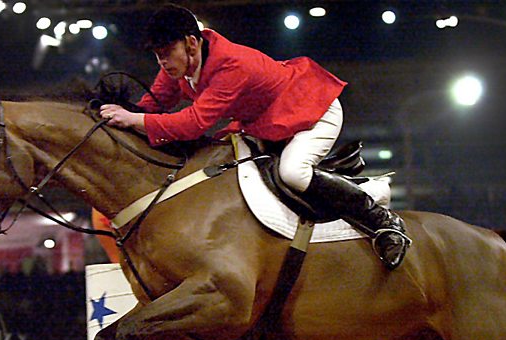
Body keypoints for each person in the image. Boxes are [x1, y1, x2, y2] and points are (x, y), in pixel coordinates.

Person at [99, 3, 410, 269]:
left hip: (313, 111)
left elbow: (193, 123)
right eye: (157, 56)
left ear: (191, 43)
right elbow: (155, 103)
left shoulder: (230, 65)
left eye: (166, 53)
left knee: (293, 172)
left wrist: (134, 119)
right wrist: (119, 116)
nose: (162, 63)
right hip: (269, 121)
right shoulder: (180, 65)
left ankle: (381, 217)